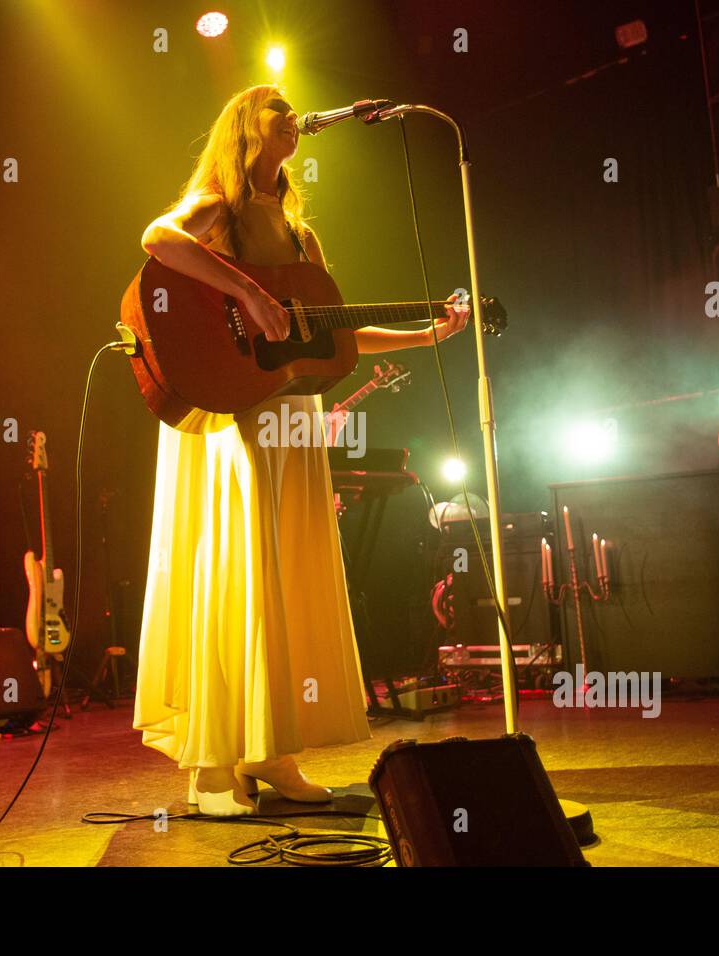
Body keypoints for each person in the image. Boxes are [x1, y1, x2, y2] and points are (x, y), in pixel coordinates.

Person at [133, 85, 470, 816]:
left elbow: (335, 332)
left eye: (293, 109)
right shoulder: (219, 207)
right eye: (275, 106)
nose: (292, 116)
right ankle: (215, 768)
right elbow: (158, 239)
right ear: (244, 128)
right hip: (234, 416)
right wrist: (246, 294)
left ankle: (271, 751)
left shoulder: (299, 232)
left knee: (285, 579)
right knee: (239, 573)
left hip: (292, 417)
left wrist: (429, 333)